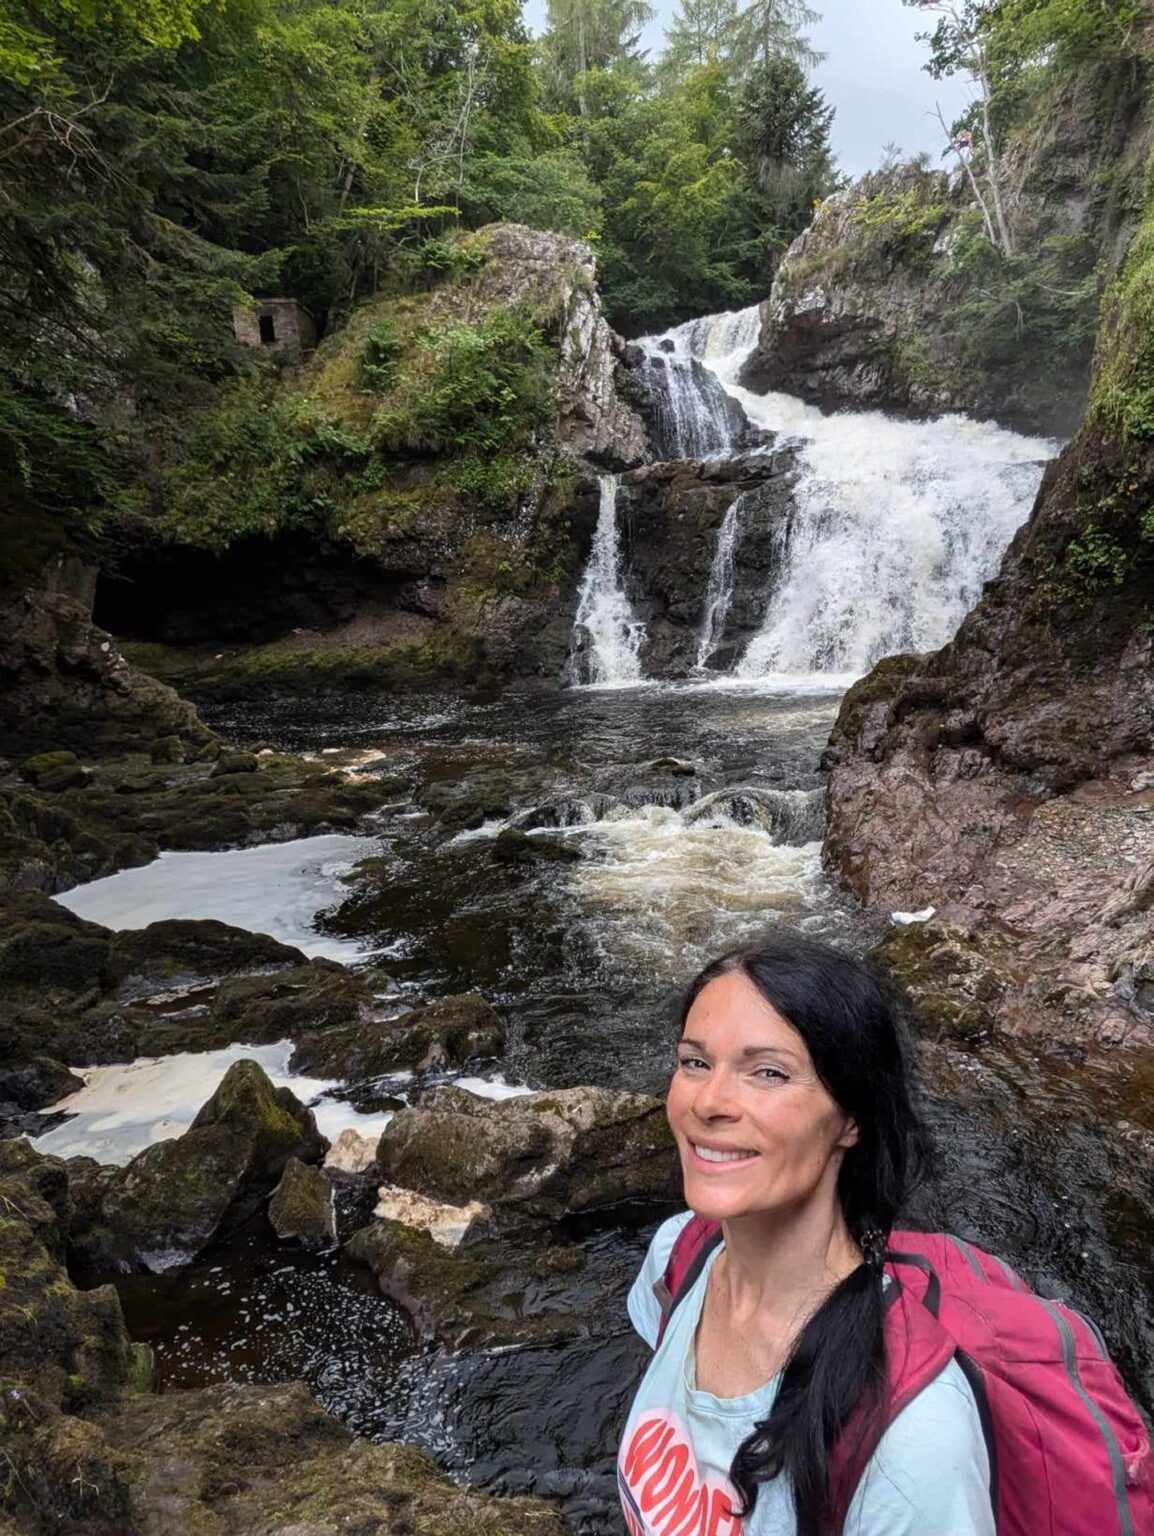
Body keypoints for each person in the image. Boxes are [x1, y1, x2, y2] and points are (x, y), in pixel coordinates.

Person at [618, 932, 996, 1536]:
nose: (708, 1102)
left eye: (768, 1072)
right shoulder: (676, 1257)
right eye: (695, 1062)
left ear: (851, 1119)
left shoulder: (914, 1442)